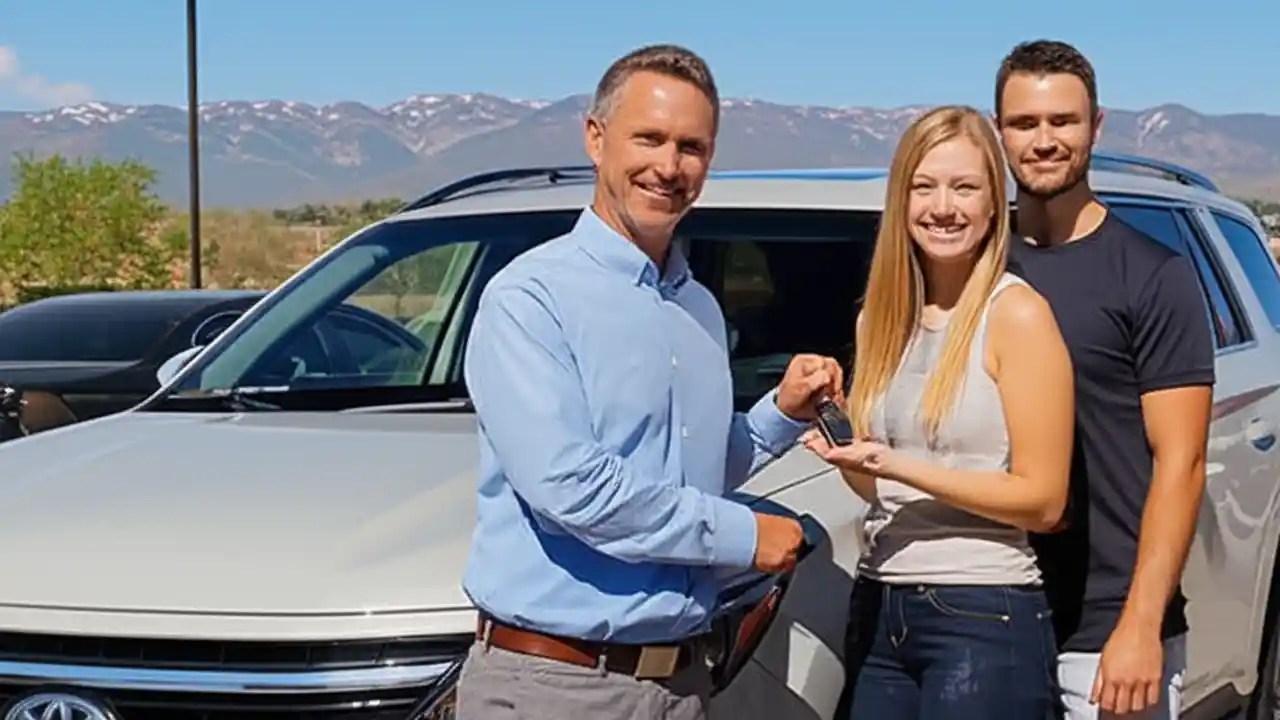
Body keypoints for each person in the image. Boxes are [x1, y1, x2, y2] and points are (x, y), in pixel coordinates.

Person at [454, 43, 844, 720]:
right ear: (596, 139)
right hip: (557, 685)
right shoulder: (531, 297)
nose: (669, 166)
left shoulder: (696, 306)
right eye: (650, 139)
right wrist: (745, 537)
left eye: (691, 146)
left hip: (682, 684)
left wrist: (778, 415)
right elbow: (573, 488)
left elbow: (684, 469)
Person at [803, 104, 1076, 719]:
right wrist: (847, 453)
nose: (943, 207)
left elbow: (1043, 498)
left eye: (964, 187)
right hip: (879, 603)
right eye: (924, 186)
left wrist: (897, 464)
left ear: (992, 203)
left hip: (983, 611)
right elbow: (878, 487)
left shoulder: (1016, 316)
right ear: (901, 200)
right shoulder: (879, 319)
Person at [993, 40, 1216, 719]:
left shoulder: (1152, 274)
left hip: (1106, 634)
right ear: (999, 131)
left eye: (1063, 121)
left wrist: (1141, 627)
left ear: (1097, 125)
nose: (1044, 141)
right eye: (1024, 124)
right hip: (988, 611)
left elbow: (1182, 463)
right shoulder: (971, 266)